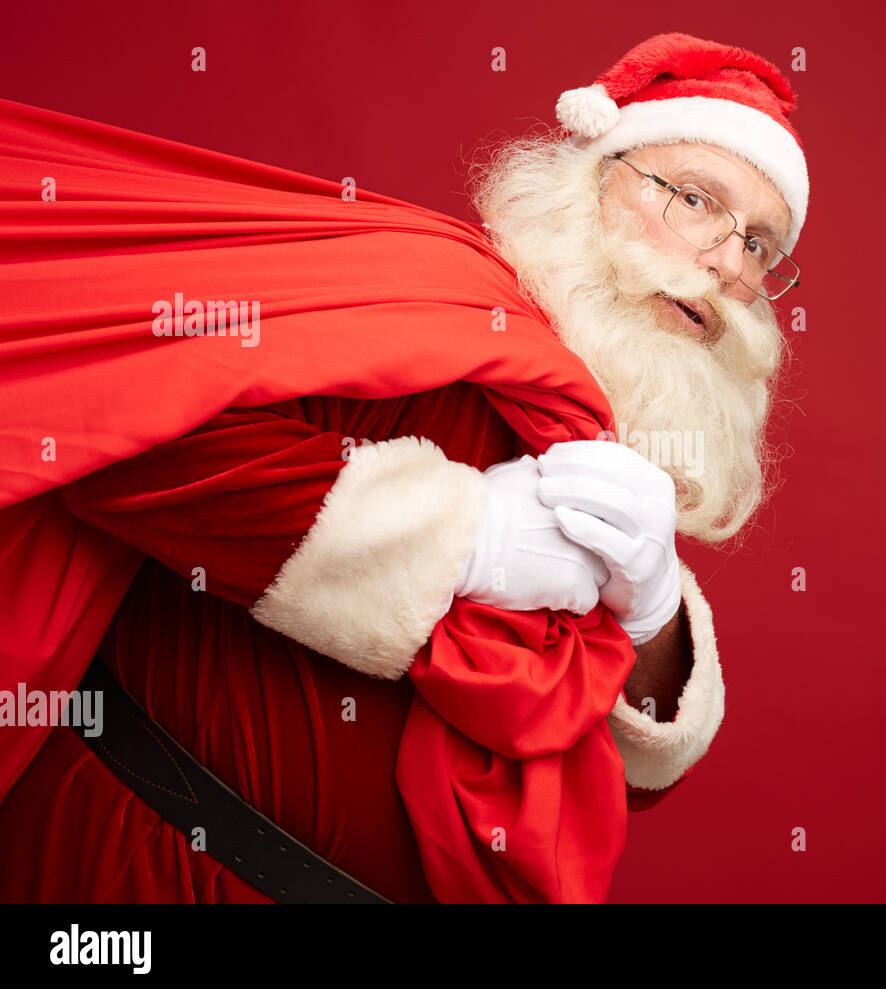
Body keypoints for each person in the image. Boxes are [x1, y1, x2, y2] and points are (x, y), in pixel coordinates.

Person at [0, 31, 809, 903]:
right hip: (139, 869)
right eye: (696, 200)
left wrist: (651, 622)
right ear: (591, 182)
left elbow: (621, 778)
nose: (728, 262)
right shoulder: (411, 288)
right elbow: (113, 431)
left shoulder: (617, 428)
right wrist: (461, 539)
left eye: (760, 245)